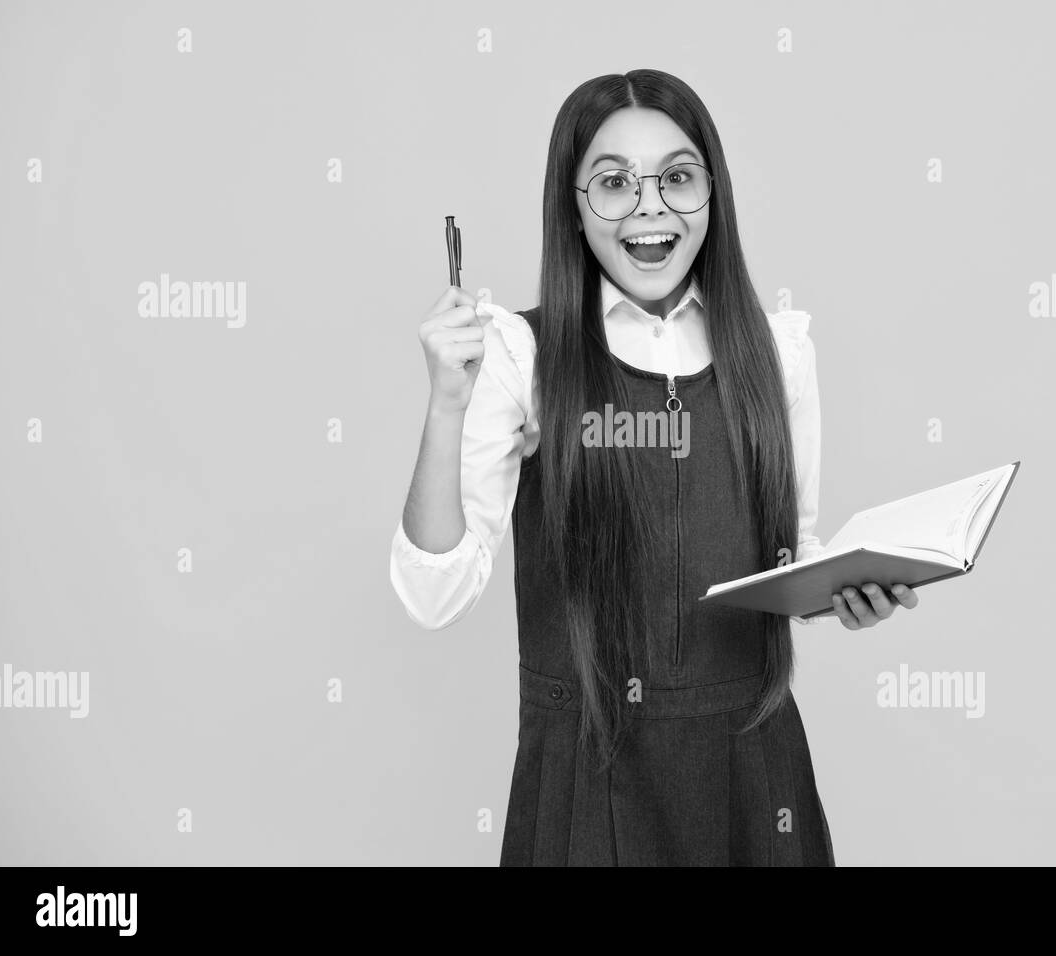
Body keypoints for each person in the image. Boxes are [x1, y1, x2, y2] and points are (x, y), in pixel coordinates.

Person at [391, 69, 920, 866]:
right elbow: (434, 595)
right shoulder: (522, 355)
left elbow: (791, 557)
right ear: (571, 207)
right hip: (586, 773)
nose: (649, 206)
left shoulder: (780, 355)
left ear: (712, 194)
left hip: (753, 769)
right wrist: (444, 404)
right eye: (612, 183)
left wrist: (843, 590)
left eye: (676, 178)